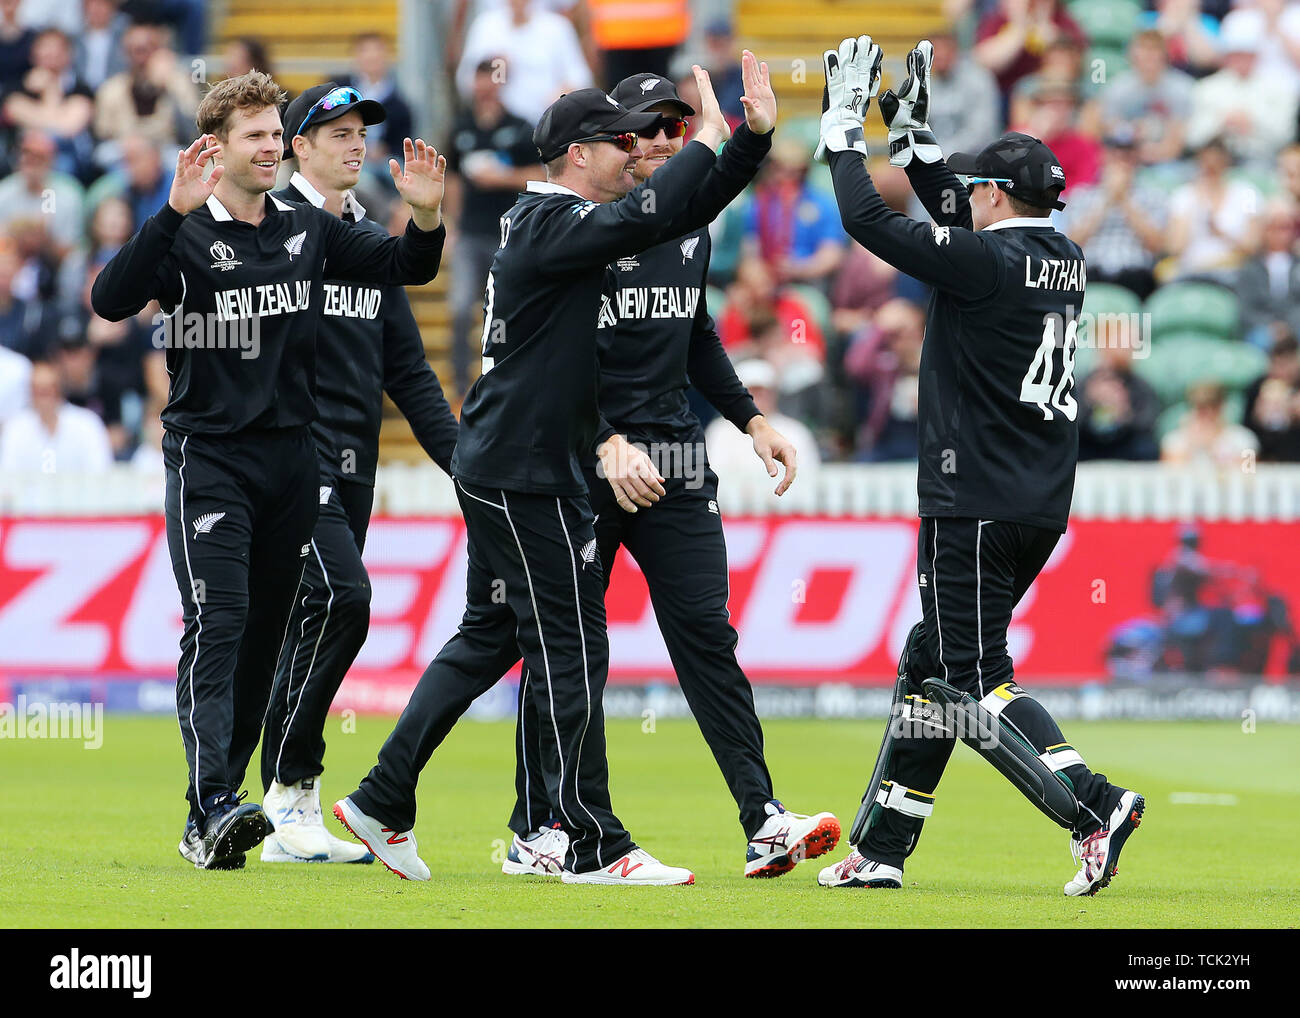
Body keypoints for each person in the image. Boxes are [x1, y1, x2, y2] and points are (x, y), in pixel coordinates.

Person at [334, 66, 762, 886]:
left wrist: (746, 142)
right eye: (620, 142)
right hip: (524, 470)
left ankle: (384, 798)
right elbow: (658, 206)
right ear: (575, 154)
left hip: (511, 462)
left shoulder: (558, 221)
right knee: (571, 648)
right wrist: (709, 136)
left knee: (497, 639)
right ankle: (594, 843)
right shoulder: (550, 222)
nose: (635, 151)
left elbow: (677, 211)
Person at [89, 71, 448, 871]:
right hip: (209, 459)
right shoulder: (184, 230)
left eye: (274, 133)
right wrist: (170, 210)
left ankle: (220, 811)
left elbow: (405, 269)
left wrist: (425, 214)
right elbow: (111, 300)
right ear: (217, 148)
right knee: (217, 626)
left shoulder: (303, 226)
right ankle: (212, 803)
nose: (270, 147)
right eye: (255, 135)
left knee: (260, 640)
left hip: (293, 461)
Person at [814, 37, 1144, 896]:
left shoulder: (983, 260)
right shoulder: (1059, 259)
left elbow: (867, 222)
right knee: (932, 662)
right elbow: (956, 217)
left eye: (976, 185)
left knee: (970, 680)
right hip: (1035, 505)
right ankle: (882, 848)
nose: (965, 194)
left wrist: (844, 130)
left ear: (996, 196)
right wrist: (914, 139)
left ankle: (1090, 805)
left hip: (971, 504)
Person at [505, 67, 838, 883]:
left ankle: (763, 819)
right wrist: (607, 437)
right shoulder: (592, 223)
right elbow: (558, 358)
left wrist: (752, 419)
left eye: (675, 128)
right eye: (645, 129)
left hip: (678, 461)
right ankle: (536, 825)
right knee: (570, 649)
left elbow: (692, 334)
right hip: (590, 462)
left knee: (706, 635)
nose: (660, 142)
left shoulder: (687, 223)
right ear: (613, 140)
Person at [256, 83, 461, 865]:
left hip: (354, 466)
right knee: (346, 599)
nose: (354, 143)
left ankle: (290, 814)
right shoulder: (273, 232)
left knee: (313, 621)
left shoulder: (364, 239)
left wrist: (470, 466)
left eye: (359, 132)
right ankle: (287, 786)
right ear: (296, 148)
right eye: (334, 131)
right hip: (290, 459)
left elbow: (406, 373)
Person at [443, 59, 542, 396]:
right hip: (470, 233)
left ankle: (504, 382)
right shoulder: (462, 127)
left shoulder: (519, 126)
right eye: (480, 81)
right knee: (459, 311)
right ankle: (460, 389)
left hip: (508, 234)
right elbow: (453, 177)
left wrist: (500, 177)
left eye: (492, 80)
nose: (485, 88)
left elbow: (541, 175)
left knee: (505, 311)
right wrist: (452, 224)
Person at [455, 0, 593, 125]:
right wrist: (494, 74)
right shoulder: (486, 27)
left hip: (545, 125)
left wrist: (561, 97)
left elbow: (580, 78)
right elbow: (465, 78)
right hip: (501, 127)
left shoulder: (556, 28)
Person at [0, 358, 113, 472]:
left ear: (59, 390)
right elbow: (8, 477)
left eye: (48, 391)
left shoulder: (87, 424)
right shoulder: (15, 427)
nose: (43, 399)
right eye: (37, 391)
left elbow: (100, 472)